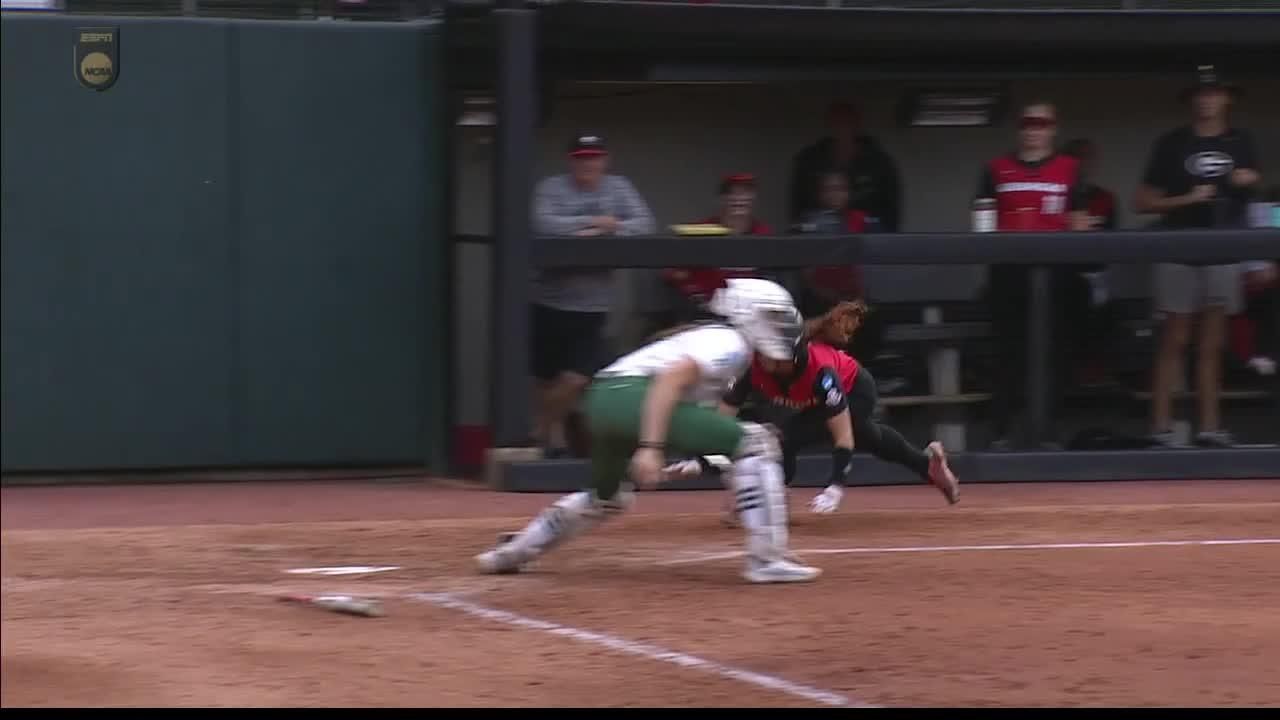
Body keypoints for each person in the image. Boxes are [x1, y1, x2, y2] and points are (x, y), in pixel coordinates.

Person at [475, 278, 823, 584]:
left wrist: (699, 461)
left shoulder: (728, 351)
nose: (780, 327)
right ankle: (767, 559)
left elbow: (710, 424)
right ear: (749, 315)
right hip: (631, 396)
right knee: (759, 442)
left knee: (607, 496)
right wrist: (651, 447)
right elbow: (669, 383)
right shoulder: (729, 342)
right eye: (773, 317)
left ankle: (512, 552)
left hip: (604, 401)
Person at [670, 301, 959, 520]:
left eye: (768, 349)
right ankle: (928, 467)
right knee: (868, 437)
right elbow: (722, 420)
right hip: (810, 398)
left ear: (789, 354)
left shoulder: (821, 373)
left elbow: (842, 437)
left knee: (786, 438)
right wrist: (701, 460)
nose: (760, 353)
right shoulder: (755, 368)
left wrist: (835, 487)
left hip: (855, 391)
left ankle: (771, 502)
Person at [1134, 65, 1262, 447]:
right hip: (1179, 247)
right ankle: (1161, 428)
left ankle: (1210, 428)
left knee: (1212, 345)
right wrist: (1186, 199)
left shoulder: (1242, 142)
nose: (1207, 100)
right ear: (1192, 100)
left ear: (1227, 99)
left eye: (1215, 93)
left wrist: (1248, 179)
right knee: (1174, 340)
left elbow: (1253, 182)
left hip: (1223, 251)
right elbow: (1141, 201)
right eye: (1201, 94)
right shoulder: (1172, 143)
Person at [530, 133, 656, 457]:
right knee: (547, 376)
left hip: (594, 305)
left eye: (594, 157)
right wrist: (596, 222)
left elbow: (644, 225)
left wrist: (608, 230)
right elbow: (543, 224)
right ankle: (553, 444)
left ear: (605, 159)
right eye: (581, 157)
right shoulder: (552, 188)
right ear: (571, 160)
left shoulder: (618, 187)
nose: (588, 163)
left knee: (576, 378)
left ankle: (540, 427)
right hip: (549, 299)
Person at [974, 101, 1090, 450]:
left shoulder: (1071, 169)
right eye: (1027, 123)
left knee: (1055, 351)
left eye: (1041, 123)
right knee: (1007, 351)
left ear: (1053, 127)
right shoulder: (995, 169)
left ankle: (1049, 430)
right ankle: (1004, 430)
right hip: (1008, 274)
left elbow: (1081, 223)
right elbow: (982, 223)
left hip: (1056, 275)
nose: (1033, 129)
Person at [788, 101, 903, 232]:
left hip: (865, 247)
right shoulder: (808, 161)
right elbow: (796, 228)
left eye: (840, 189)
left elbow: (889, 225)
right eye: (837, 122)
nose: (842, 128)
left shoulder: (880, 163)